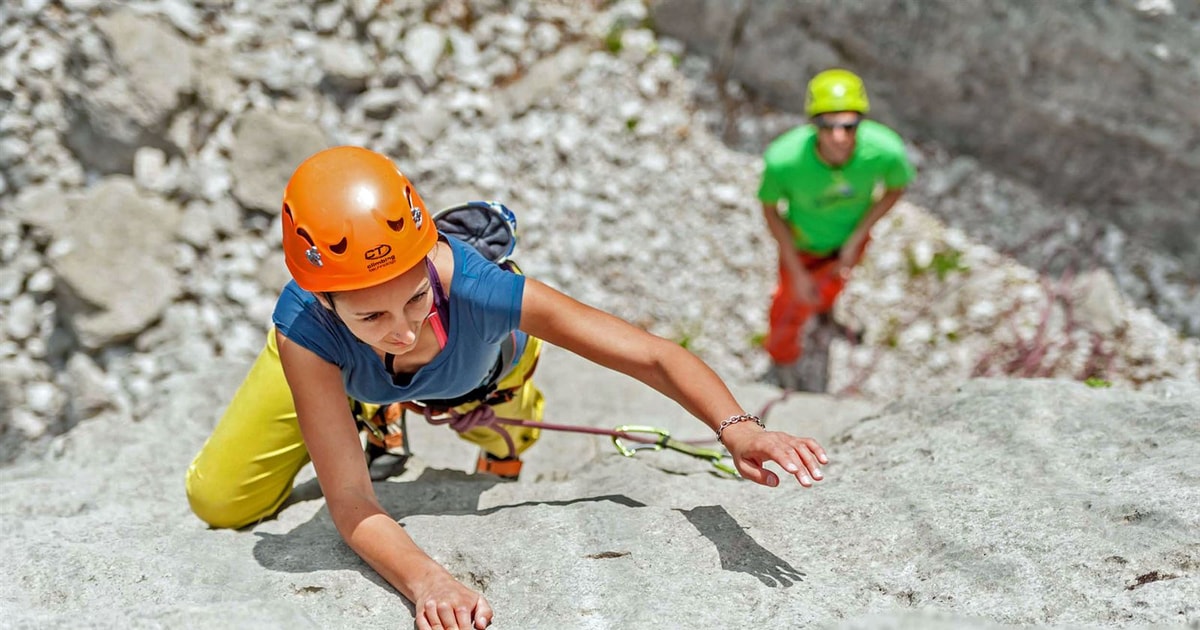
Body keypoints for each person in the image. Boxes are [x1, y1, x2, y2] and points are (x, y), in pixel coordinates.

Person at [185, 146, 830, 630]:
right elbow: (351, 501)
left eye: (413, 300)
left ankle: (438, 404)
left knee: (503, 454)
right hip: (334, 367)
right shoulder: (308, 330)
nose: (404, 331)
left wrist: (739, 427)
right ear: (324, 302)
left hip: (482, 371)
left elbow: (653, 356)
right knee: (220, 501)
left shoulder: (477, 289)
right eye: (370, 317)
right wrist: (428, 581)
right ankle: (362, 405)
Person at [757, 68, 916, 392]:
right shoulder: (783, 161)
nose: (839, 136)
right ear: (813, 125)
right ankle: (781, 356)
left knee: (833, 283)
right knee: (789, 303)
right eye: (827, 126)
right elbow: (770, 208)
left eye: (848, 126)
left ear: (861, 121)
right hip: (803, 246)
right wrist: (795, 268)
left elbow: (896, 188)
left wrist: (857, 236)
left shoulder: (885, 151)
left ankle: (825, 309)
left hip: (849, 240)